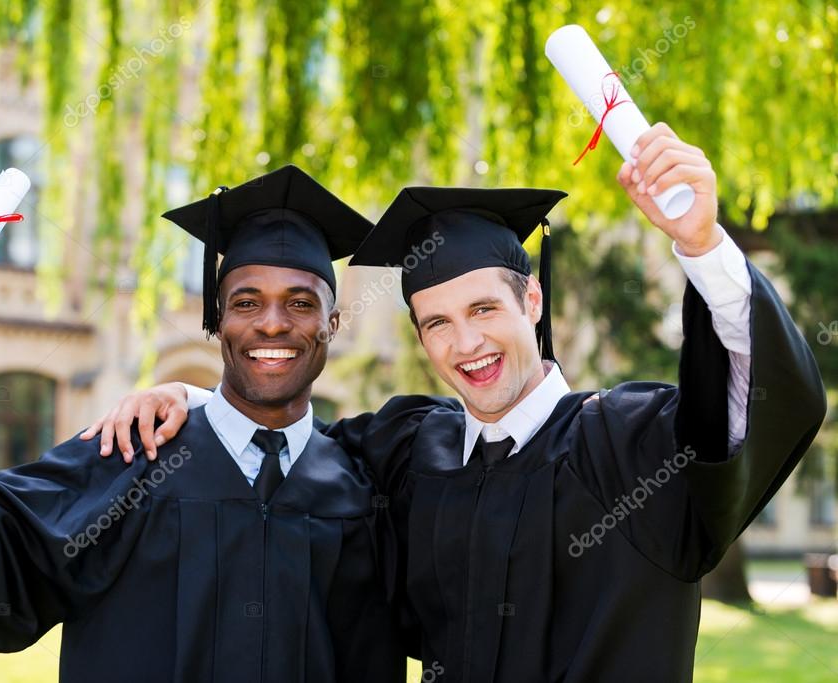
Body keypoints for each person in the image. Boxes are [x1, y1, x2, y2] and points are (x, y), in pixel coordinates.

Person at [84, 124, 827, 681]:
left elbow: (755, 399)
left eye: (483, 309)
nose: (465, 342)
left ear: (531, 299)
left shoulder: (631, 443)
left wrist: (700, 246)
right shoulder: (411, 450)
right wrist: (194, 394)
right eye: (436, 321)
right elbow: (287, 435)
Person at [0, 165, 407, 682]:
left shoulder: (366, 482)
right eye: (246, 303)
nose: (272, 323)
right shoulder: (126, 455)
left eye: (300, 303)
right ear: (216, 322)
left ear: (332, 324)